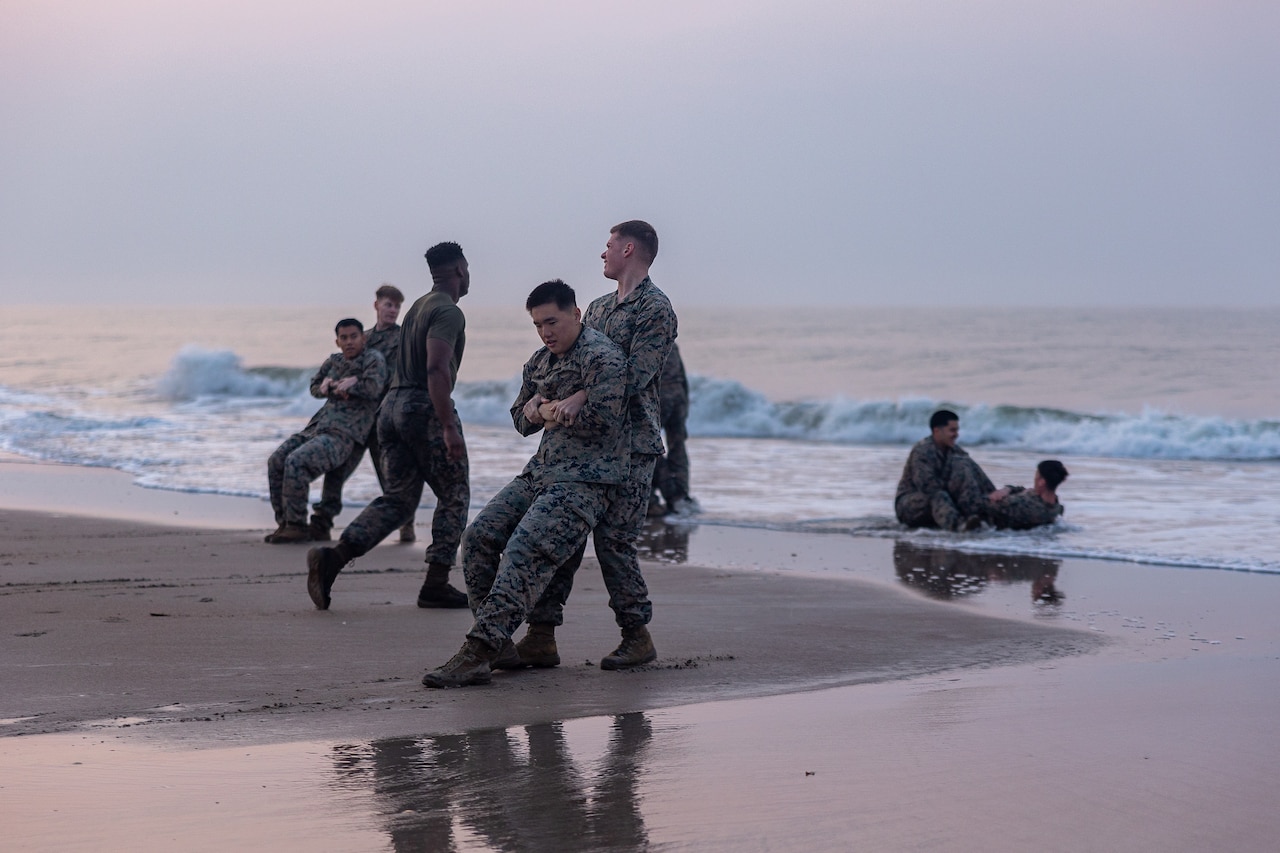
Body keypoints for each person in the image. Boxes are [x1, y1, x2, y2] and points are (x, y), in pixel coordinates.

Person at [421, 279, 630, 687]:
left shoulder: (603, 357)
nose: (545, 332)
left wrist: (551, 408)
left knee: (524, 549)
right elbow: (520, 419)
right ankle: (500, 645)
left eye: (552, 322)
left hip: (587, 479)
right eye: (537, 325)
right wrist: (538, 411)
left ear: (576, 314)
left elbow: (603, 421)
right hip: (541, 471)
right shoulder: (539, 362)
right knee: (477, 537)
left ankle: (478, 649)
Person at [513, 220, 677, 672]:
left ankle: (636, 635)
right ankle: (541, 636)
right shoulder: (600, 307)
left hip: (633, 444)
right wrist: (544, 402)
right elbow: (573, 362)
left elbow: (635, 374)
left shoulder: (655, 309)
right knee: (562, 538)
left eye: (608, 245)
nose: (602, 253)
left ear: (629, 249)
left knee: (614, 541)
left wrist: (584, 394)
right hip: (585, 444)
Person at [305, 242, 472, 610]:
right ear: (460, 269)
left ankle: (333, 558)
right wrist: (447, 425)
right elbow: (436, 367)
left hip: (391, 409)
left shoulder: (417, 307)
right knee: (455, 493)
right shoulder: (448, 311)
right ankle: (436, 583)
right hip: (423, 408)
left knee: (398, 499)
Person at [310, 284, 418, 544]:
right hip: (357, 419)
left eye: (397, 306)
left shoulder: (403, 338)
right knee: (338, 469)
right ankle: (323, 520)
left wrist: (357, 382)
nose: (392, 310)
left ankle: (406, 524)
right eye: (388, 304)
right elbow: (344, 369)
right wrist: (334, 386)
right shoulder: (362, 337)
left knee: (390, 475)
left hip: (386, 417)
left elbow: (395, 376)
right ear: (376, 305)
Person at [265, 319, 387, 543]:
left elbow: (374, 388)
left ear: (363, 338)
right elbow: (315, 386)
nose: (349, 342)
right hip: (317, 427)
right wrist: (326, 387)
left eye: (353, 337)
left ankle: (296, 526)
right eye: (344, 338)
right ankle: (285, 523)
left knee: (297, 462)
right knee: (277, 461)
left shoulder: (372, 359)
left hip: (345, 432)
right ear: (337, 341)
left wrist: (354, 383)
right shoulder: (334, 361)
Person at [894, 409, 994, 532]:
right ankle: (958, 527)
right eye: (952, 430)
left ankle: (983, 523)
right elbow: (927, 487)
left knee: (970, 490)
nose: (956, 435)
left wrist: (992, 494)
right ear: (937, 431)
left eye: (957, 430)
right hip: (910, 507)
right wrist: (956, 490)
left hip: (941, 504)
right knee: (938, 495)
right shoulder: (922, 451)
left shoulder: (956, 451)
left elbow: (976, 474)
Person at [649, 342, 696, 516]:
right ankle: (681, 496)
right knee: (678, 446)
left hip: (660, 396)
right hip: (678, 396)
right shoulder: (670, 340)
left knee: (647, 446)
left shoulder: (644, 338)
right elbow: (682, 376)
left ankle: (661, 496)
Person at [985, 460, 1069, 530]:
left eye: (1036, 476)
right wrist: (1006, 489)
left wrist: (1020, 493)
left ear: (1041, 482)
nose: (1035, 479)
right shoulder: (1057, 508)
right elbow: (1020, 490)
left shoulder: (1026, 506)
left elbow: (989, 505)